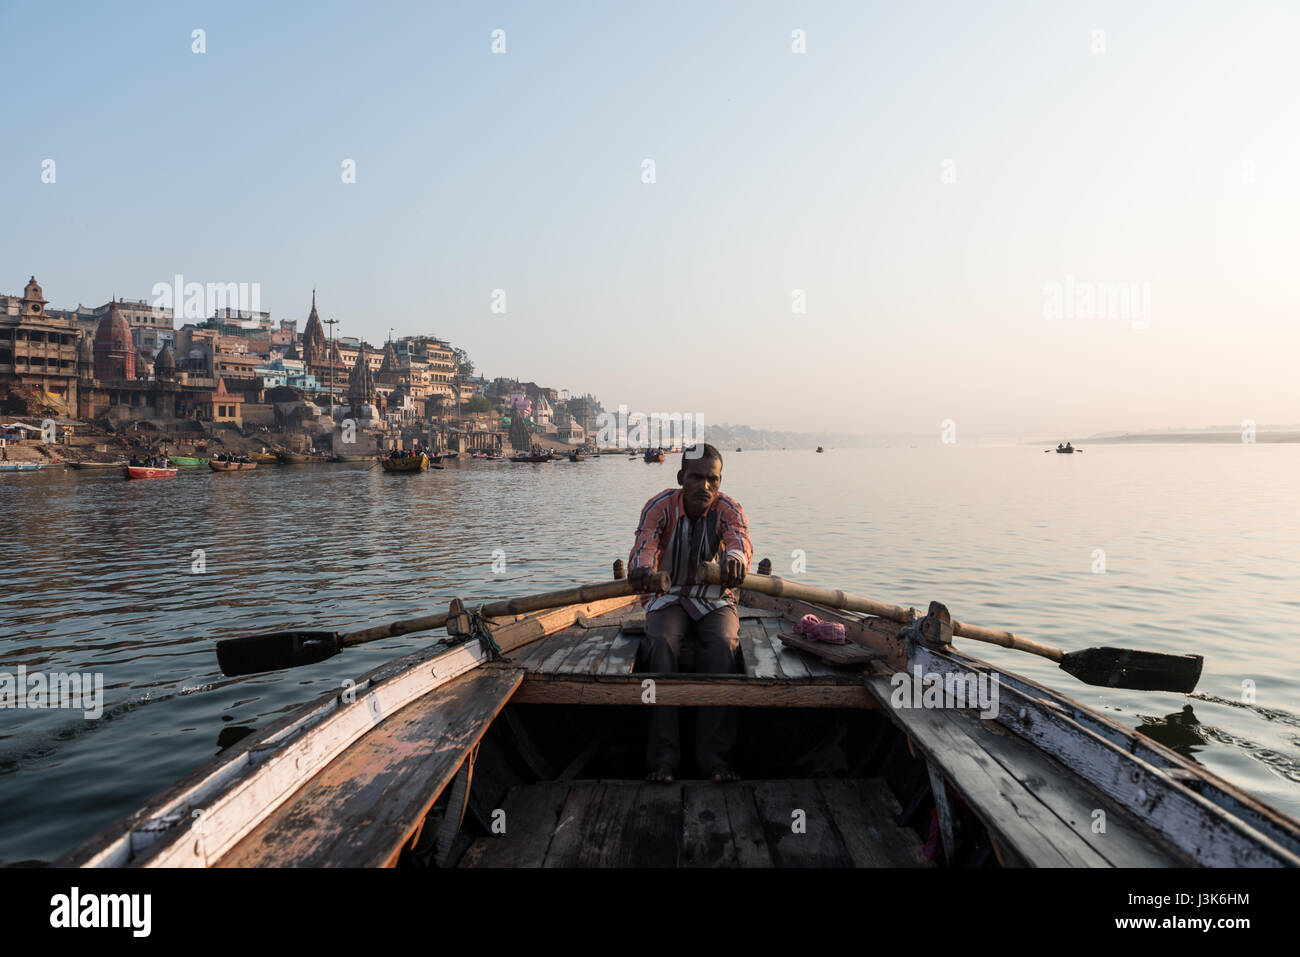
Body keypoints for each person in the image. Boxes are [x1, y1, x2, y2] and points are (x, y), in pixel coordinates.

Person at [628, 442, 751, 785]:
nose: (705, 486)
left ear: (719, 481)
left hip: (713, 598)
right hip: (666, 597)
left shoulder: (728, 509)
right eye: (697, 478)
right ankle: (663, 760)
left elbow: (740, 541)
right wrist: (640, 569)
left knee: (724, 644)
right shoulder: (660, 507)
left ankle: (716, 760)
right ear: (682, 477)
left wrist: (735, 561)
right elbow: (645, 544)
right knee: (662, 643)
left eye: (712, 479)